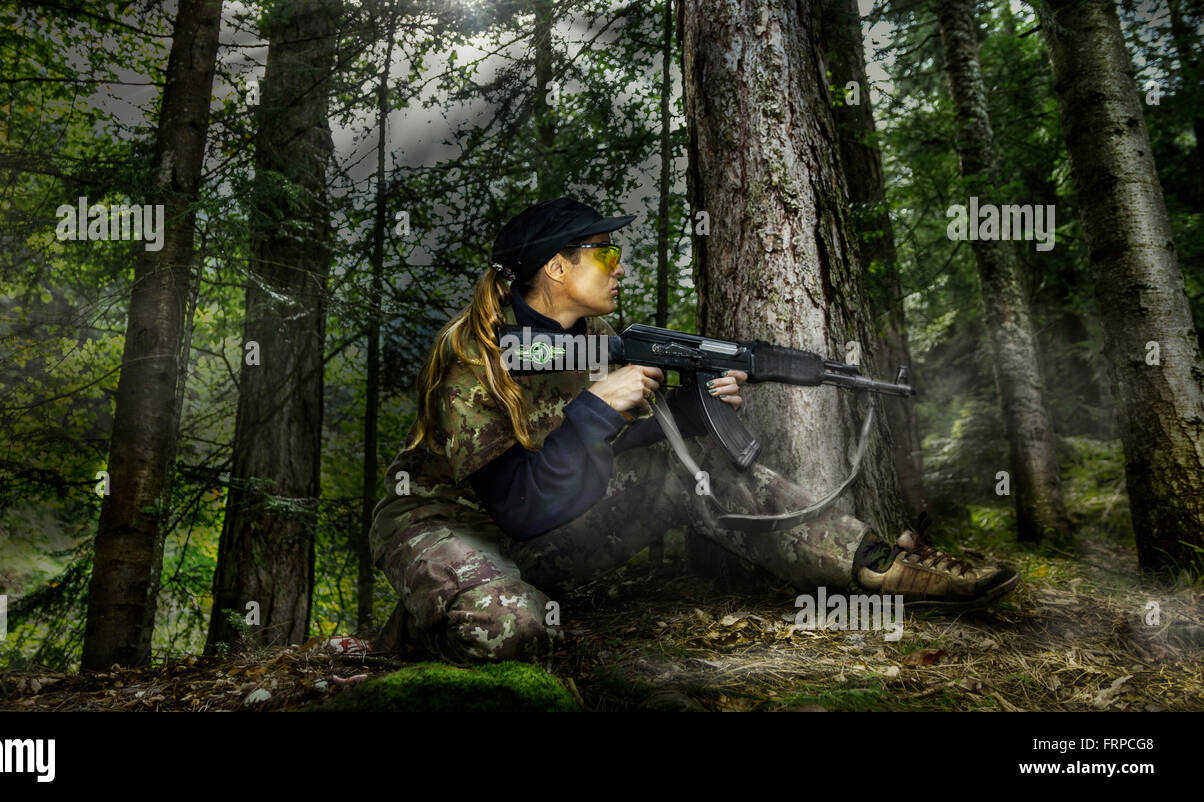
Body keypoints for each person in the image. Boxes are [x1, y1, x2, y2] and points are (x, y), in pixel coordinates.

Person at [368, 197, 1019, 663]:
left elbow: (610, 448)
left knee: (695, 463)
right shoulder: (476, 357)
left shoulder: (597, 341)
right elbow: (518, 504)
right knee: (511, 630)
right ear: (557, 268)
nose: (620, 267)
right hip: (449, 525)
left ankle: (875, 565)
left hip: (536, 529)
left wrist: (688, 409)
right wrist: (596, 408)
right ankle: (433, 612)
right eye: (606, 254)